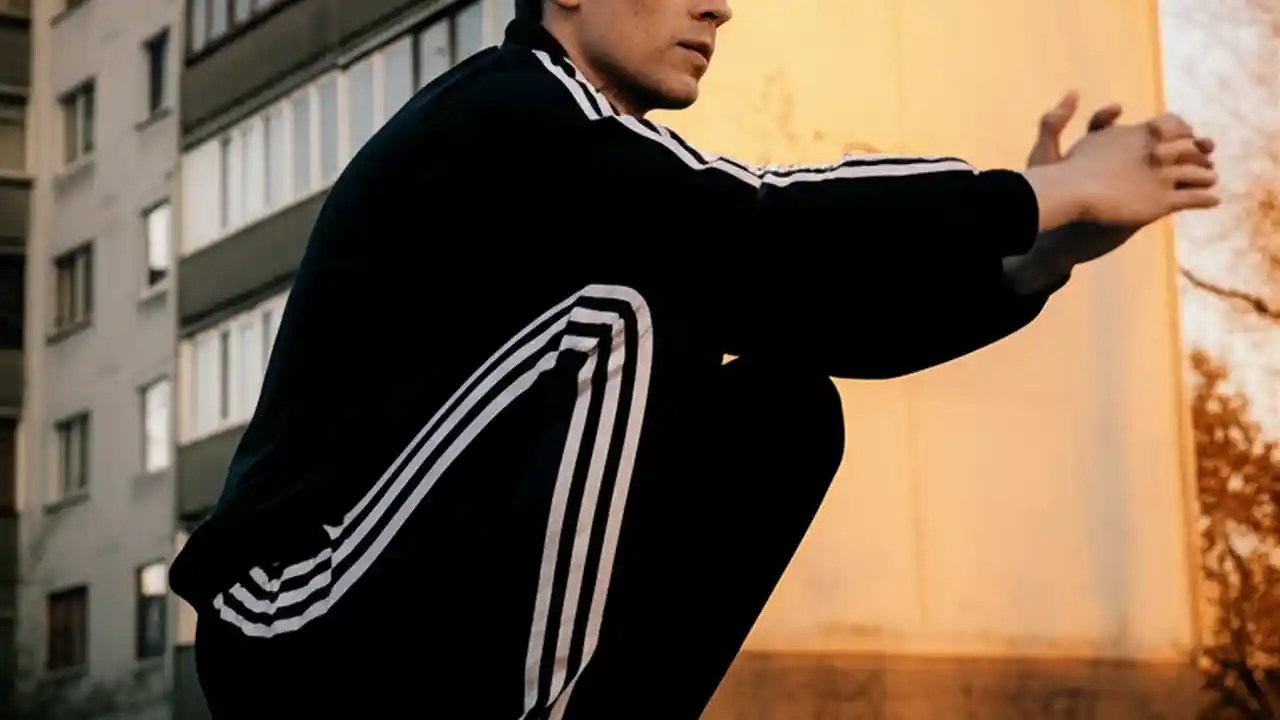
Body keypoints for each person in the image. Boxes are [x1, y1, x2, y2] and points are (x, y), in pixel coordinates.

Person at [169, 0, 1219, 717]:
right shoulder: (503, 112)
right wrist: (1039, 191)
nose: (718, 5)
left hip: (416, 619)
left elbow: (817, 313)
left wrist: (1029, 260)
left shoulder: (606, 179)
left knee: (780, 404)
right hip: (296, 612)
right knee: (626, 317)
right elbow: (756, 223)